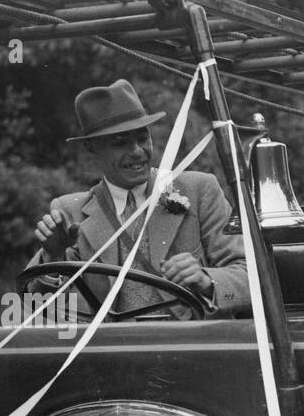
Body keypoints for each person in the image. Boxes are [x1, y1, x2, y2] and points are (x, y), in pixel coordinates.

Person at [30, 79, 249, 316]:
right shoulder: (70, 211)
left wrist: (206, 280)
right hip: (118, 351)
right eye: (120, 143)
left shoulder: (198, 189)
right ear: (92, 148)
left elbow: (252, 279)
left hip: (194, 347)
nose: (136, 151)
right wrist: (53, 257)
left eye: (142, 138)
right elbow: (35, 306)